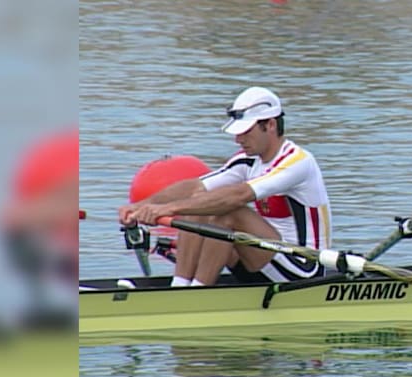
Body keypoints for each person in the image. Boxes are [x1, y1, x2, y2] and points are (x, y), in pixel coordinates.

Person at [119, 86, 332, 286]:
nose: (238, 139)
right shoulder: (248, 160)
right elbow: (196, 186)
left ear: (270, 125)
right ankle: (180, 286)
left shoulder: (298, 162)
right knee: (198, 201)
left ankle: (195, 296)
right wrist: (140, 206)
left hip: (303, 268)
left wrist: (168, 209)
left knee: (227, 211)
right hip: (264, 260)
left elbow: (239, 195)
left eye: (245, 132)